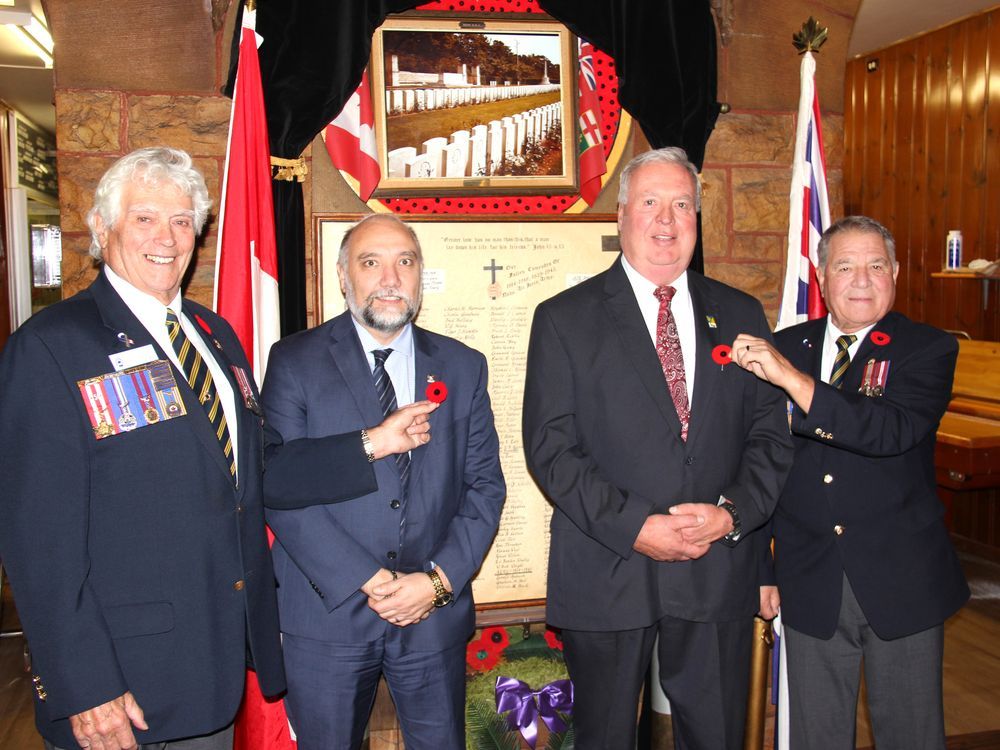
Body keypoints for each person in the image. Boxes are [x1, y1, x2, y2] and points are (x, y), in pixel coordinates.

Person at [0, 147, 432, 750]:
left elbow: (258, 470)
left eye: (183, 221)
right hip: (121, 684)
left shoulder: (211, 335)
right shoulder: (52, 347)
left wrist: (371, 443)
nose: (167, 238)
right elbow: (38, 540)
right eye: (145, 218)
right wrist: (84, 685)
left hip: (211, 663)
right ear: (103, 228)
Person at [522, 147, 793, 749]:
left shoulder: (740, 312)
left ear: (698, 220)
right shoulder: (565, 318)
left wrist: (732, 515)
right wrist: (634, 525)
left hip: (716, 564)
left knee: (717, 736)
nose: (667, 220)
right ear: (620, 216)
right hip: (609, 565)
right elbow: (550, 448)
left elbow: (770, 437)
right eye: (651, 203)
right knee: (606, 738)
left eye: (682, 206)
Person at [261, 213, 506, 750]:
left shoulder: (463, 367)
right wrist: (366, 578)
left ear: (420, 275)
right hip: (328, 615)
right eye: (371, 262)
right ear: (344, 277)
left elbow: (485, 487)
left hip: (430, 616)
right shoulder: (294, 361)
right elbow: (277, 486)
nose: (390, 278)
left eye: (405, 262)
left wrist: (437, 583)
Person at [733, 215, 969, 749]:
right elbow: (760, 464)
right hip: (809, 579)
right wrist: (761, 567)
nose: (861, 280)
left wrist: (793, 381)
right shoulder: (787, 344)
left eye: (875, 266)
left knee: (910, 735)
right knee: (815, 736)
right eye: (845, 266)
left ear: (896, 274)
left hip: (903, 583)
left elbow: (888, 430)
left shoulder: (927, 348)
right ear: (821, 277)